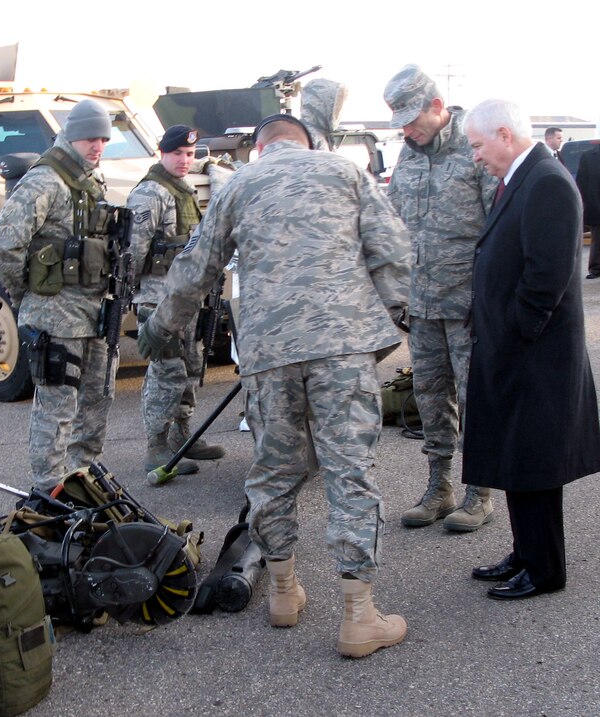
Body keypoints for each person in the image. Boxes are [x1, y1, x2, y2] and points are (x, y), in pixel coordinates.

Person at [139, 114, 411, 658]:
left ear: (260, 149)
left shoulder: (237, 185)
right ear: (307, 143)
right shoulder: (345, 172)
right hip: (342, 347)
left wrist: (156, 329)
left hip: (268, 353)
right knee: (349, 473)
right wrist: (398, 319)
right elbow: (393, 253)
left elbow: (196, 268)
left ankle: (284, 594)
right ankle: (359, 617)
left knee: (274, 469)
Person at [463, 99, 600, 599]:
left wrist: (514, 331)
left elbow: (548, 276)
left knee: (536, 462)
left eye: (478, 146)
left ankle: (545, 570)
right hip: (518, 347)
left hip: (535, 352)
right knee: (518, 458)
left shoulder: (547, 181)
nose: (476, 156)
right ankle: (526, 553)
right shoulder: (526, 176)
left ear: (504, 134)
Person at [383, 64, 499, 532]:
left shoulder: (475, 149)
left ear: (438, 107)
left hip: (469, 305)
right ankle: (440, 486)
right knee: (431, 397)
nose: (407, 130)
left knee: (476, 399)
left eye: (413, 119)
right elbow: (393, 224)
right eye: (401, 122)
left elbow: (501, 225)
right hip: (423, 305)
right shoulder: (409, 156)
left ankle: (480, 492)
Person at [0, 98, 120, 492]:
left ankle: (83, 478)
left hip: (94, 310)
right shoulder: (45, 180)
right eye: (89, 138)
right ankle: (49, 489)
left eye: (103, 139)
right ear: (71, 135)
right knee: (58, 407)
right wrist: (24, 295)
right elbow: (3, 246)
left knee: (98, 397)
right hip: (56, 314)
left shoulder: (92, 180)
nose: (97, 146)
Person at [127, 125, 226, 478]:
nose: (185, 160)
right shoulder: (150, 194)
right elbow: (132, 252)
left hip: (186, 297)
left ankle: (182, 436)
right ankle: (156, 446)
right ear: (162, 153)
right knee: (166, 371)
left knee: (190, 366)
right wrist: (134, 297)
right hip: (158, 299)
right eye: (178, 154)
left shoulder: (182, 190)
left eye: (190, 154)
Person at [575, 142, 600, 279]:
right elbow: (581, 181)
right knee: (597, 237)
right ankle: (596, 268)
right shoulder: (588, 157)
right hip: (596, 202)